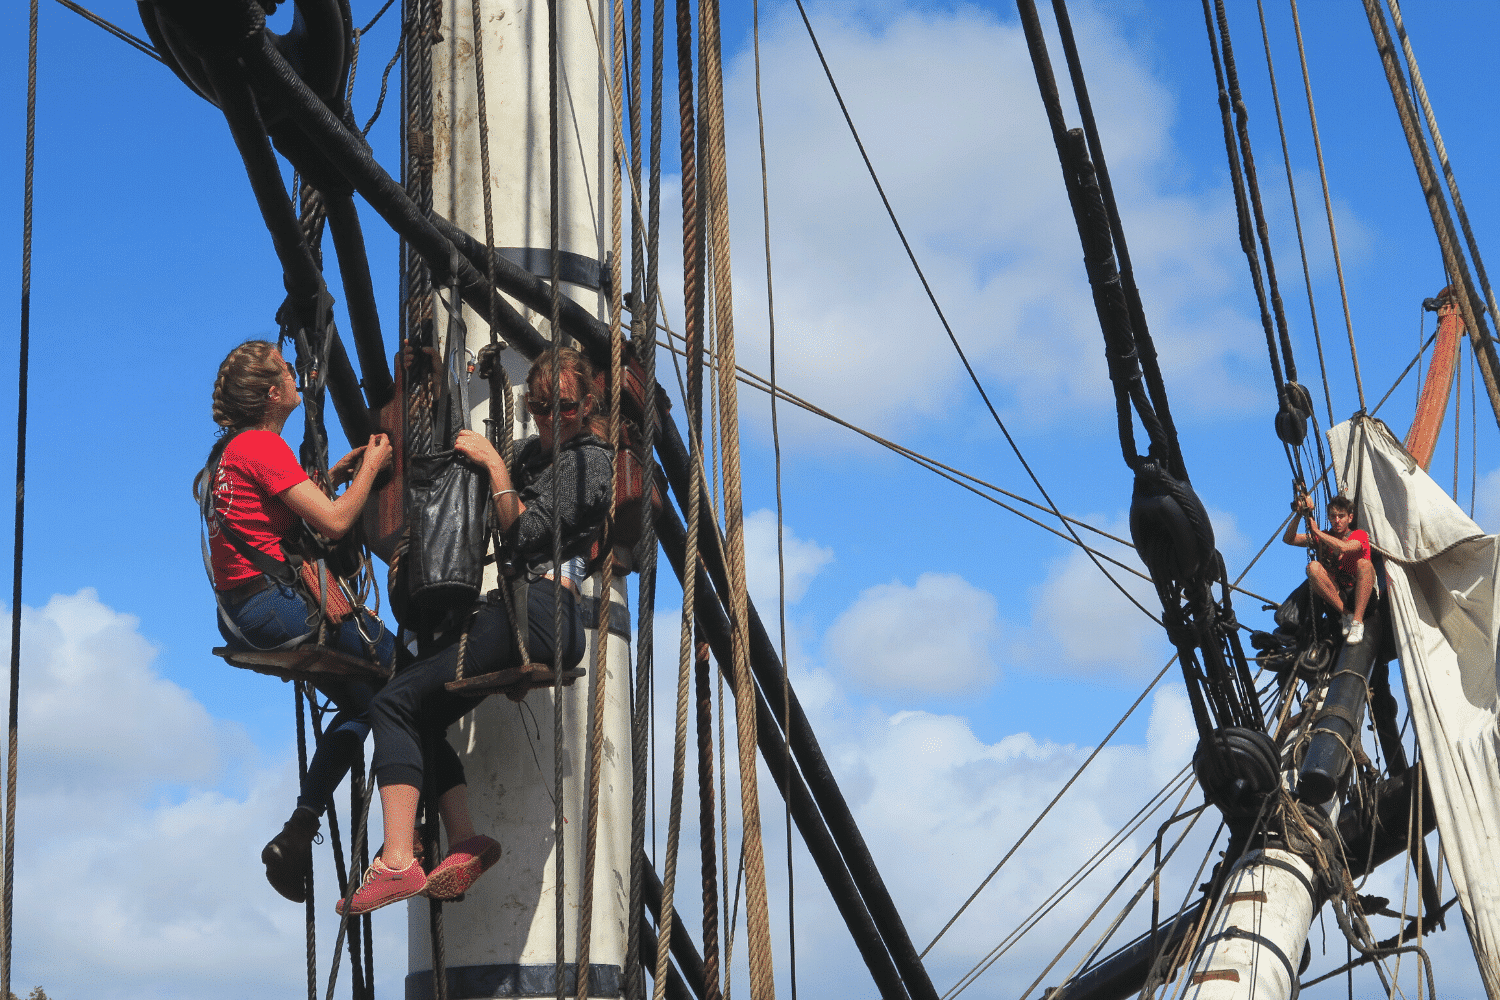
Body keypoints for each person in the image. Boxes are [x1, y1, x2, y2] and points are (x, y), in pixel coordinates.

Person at [340, 346, 613, 915]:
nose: (548, 418)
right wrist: (374, 465)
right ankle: (465, 841)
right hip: (519, 616)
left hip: (542, 615)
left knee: (392, 704)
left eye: (562, 407)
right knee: (420, 715)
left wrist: (494, 467)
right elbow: (450, 471)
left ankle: (395, 863)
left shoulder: (590, 460)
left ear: (588, 404)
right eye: (538, 407)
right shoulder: (535, 454)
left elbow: (528, 537)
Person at [192, 340, 396, 902]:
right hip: (278, 608)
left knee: (362, 703)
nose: (297, 375)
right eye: (287, 371)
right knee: (403, 676)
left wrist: (334, 474)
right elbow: (332, 523)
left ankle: (298, 829)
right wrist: (373, 467)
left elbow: (274, 511)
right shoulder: (263, 444)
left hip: (240, 616)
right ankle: (409, 839)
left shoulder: (228, 455)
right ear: (273, 393)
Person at [1282, 492, 1373, 644]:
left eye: (1341, 516)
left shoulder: (1359, 535)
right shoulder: (1323, 537)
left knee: (1365, 565)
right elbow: (1289, 539)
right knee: (1313, 567)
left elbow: (1343, 547)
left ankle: (1357, 622)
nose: (1337, 521)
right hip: (1337, 596)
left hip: (1358, 594)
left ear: (1350, 518)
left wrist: (1317, 532)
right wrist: (1299, 514)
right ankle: (1346, 615)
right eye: (1333, 516)